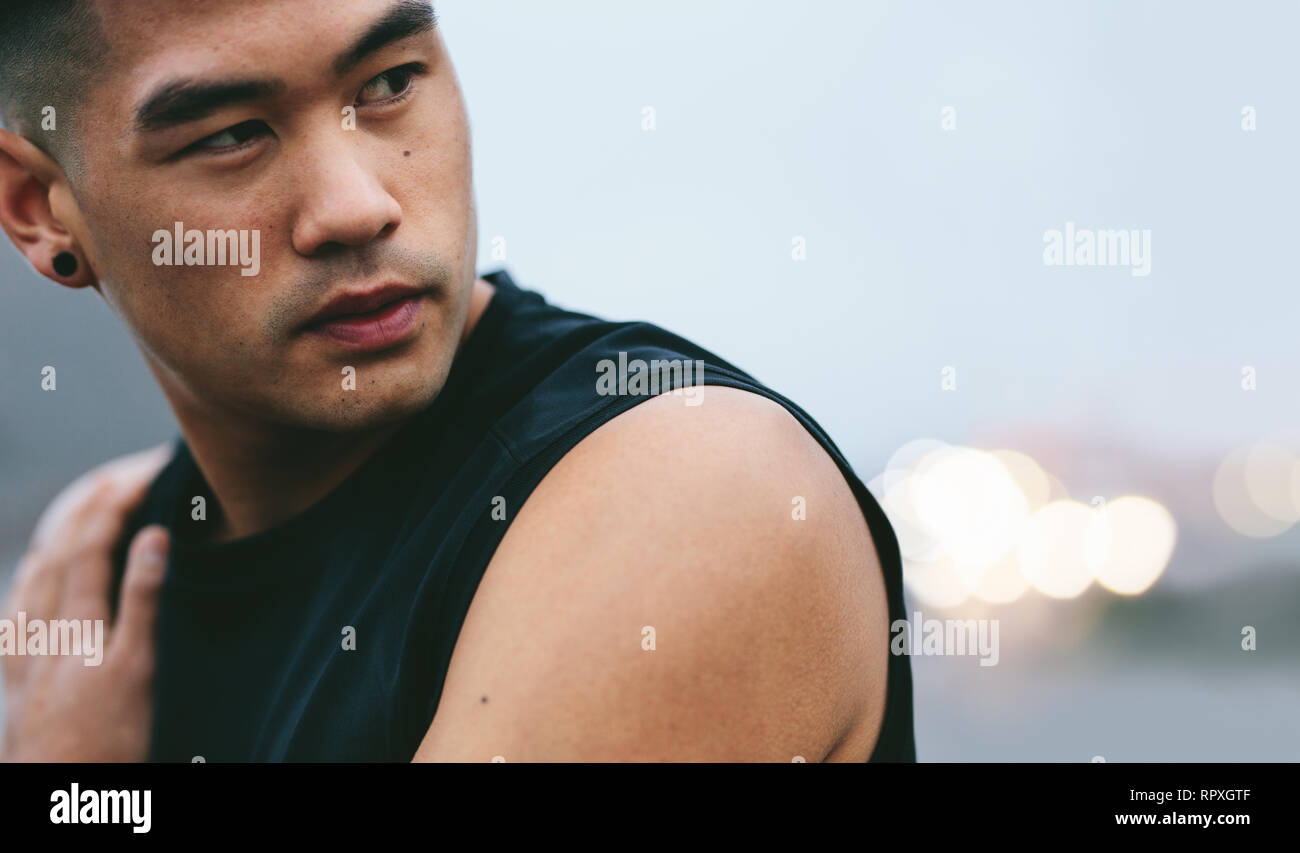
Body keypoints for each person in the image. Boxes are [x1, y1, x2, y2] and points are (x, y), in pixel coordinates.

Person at [0, 0, 914, 762]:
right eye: (235, 134)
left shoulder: (702, 488)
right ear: (39, 208)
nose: (358, 206)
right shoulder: (108, 576)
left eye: (389, 83)